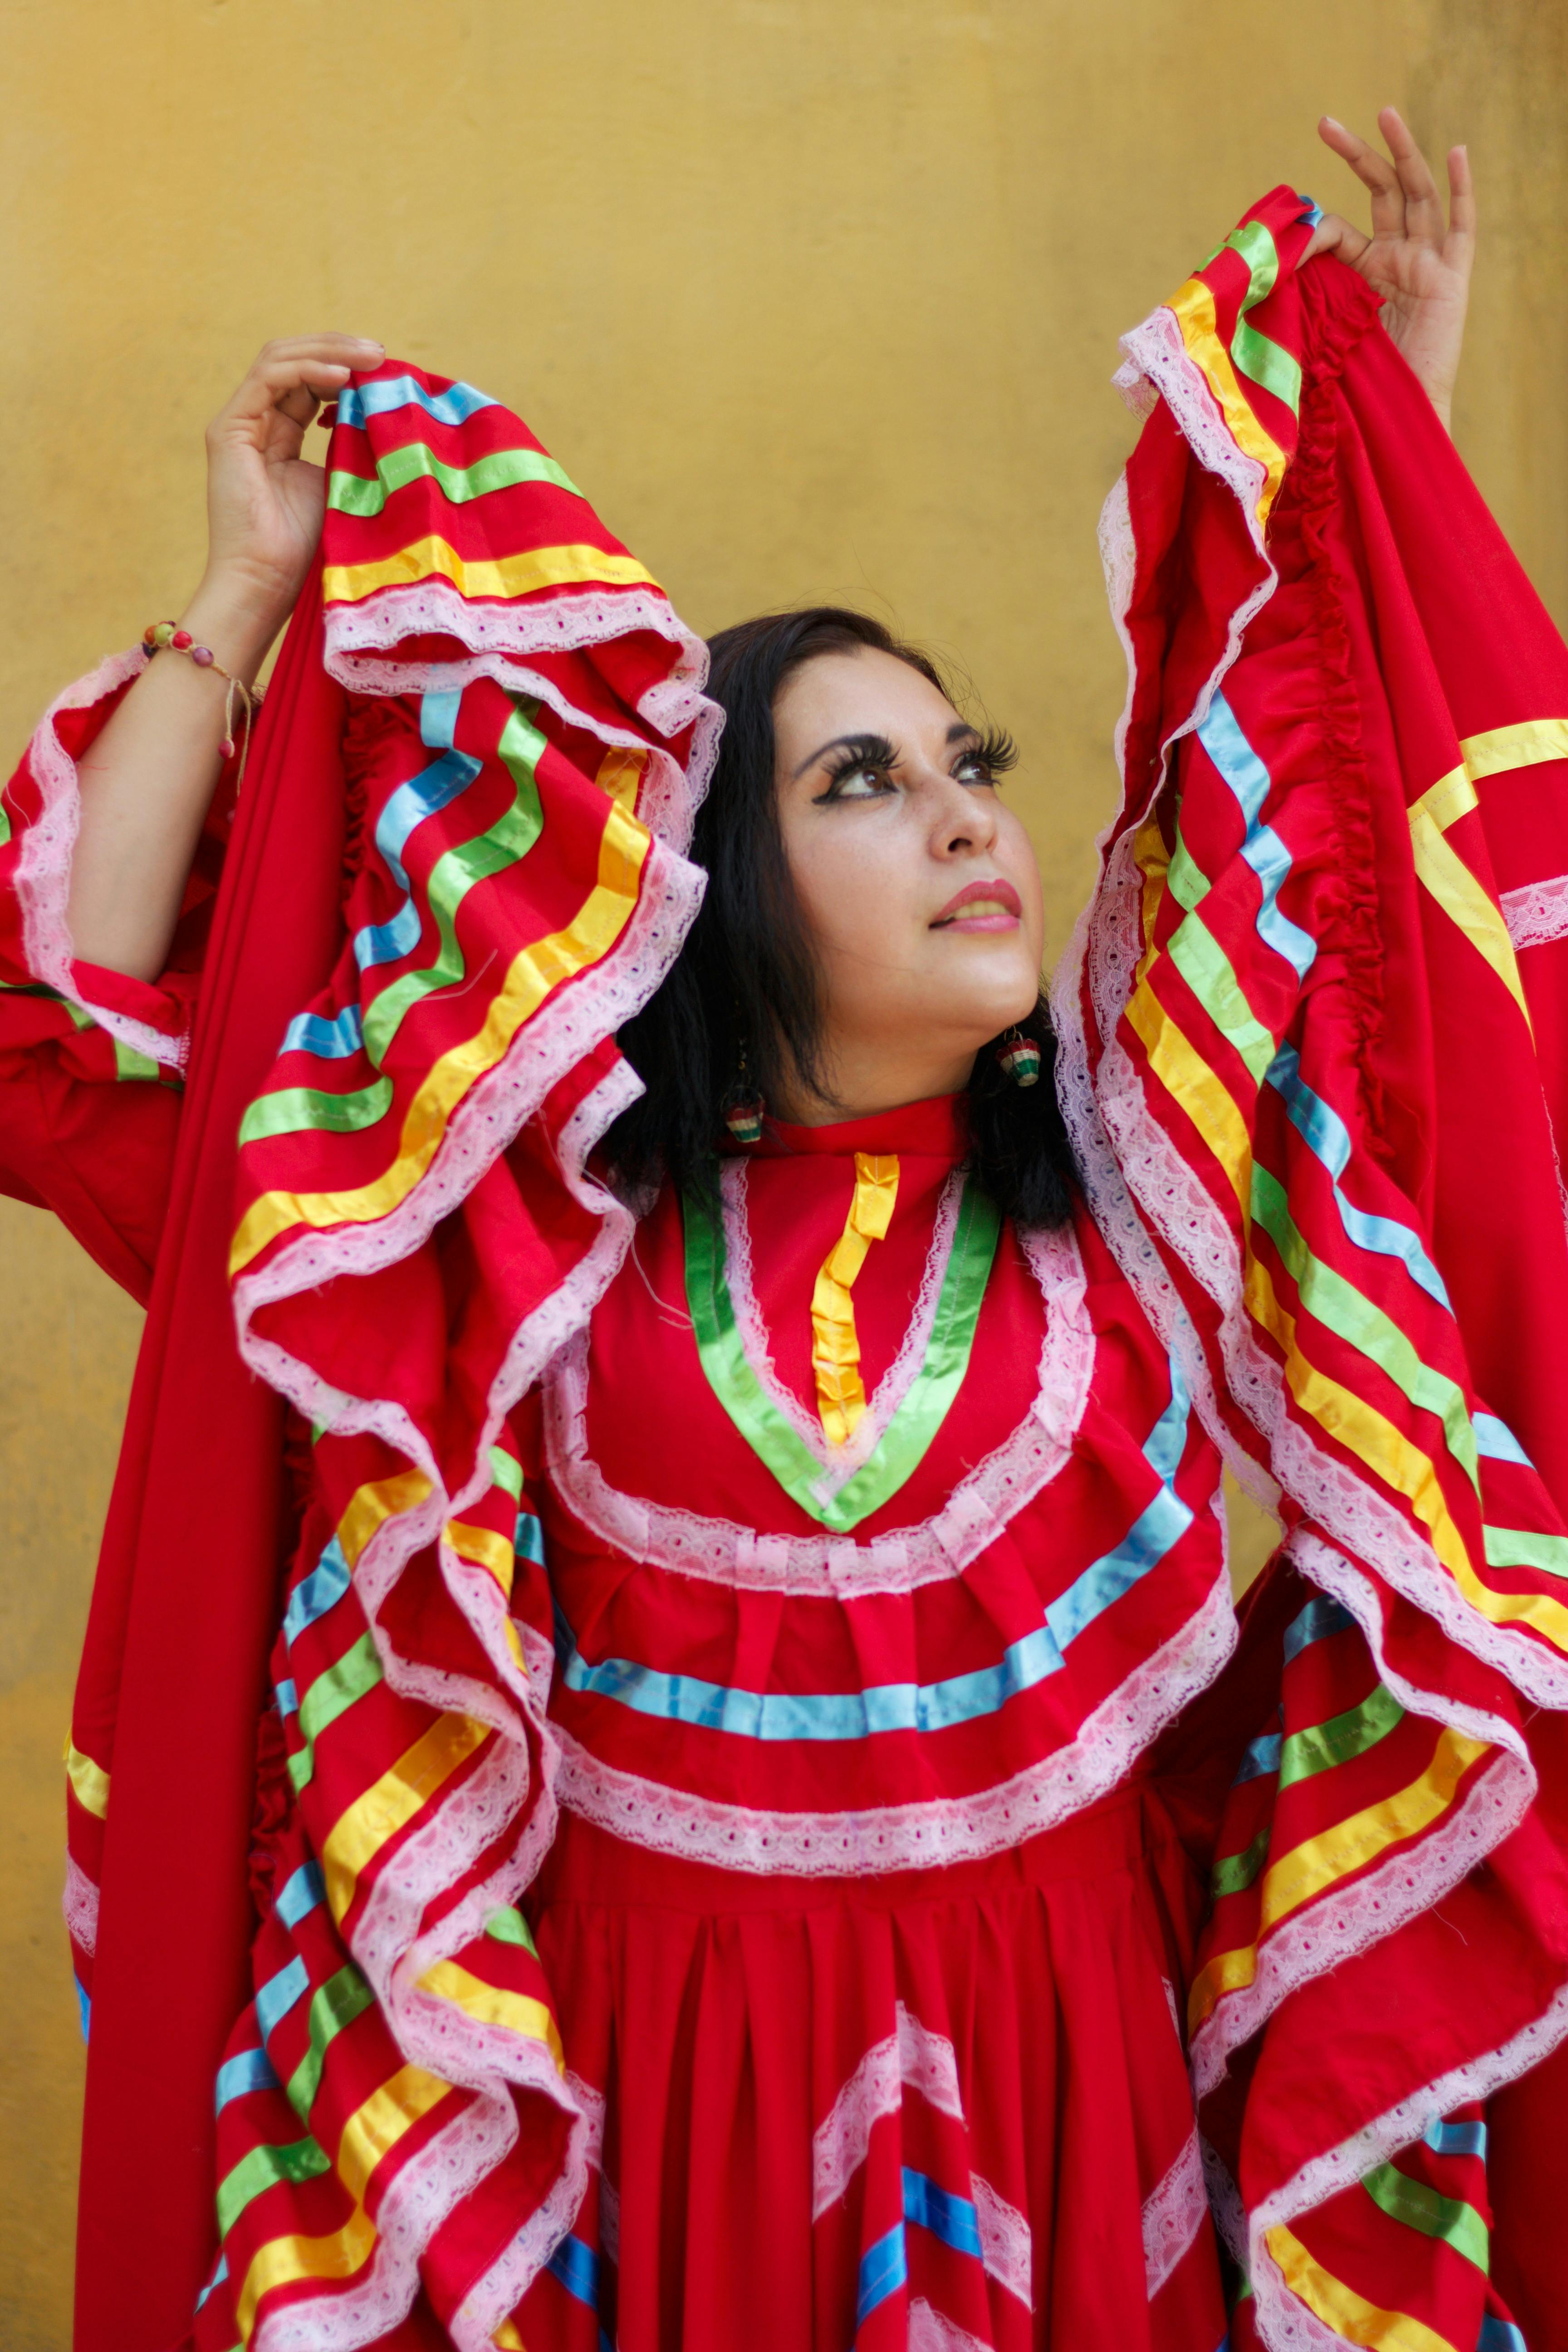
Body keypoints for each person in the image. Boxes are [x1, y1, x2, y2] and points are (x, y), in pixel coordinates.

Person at [5, 107, 1568, 2352]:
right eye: (861, 780)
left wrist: (1373, 487)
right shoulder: (509, 1251)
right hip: (657, 2136)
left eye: (972, 761)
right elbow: (63, 1022)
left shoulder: (1150, 1199)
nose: (964, 822)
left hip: (1079, 2103)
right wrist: (244, 591)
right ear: (712, 888)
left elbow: (1433, 993)